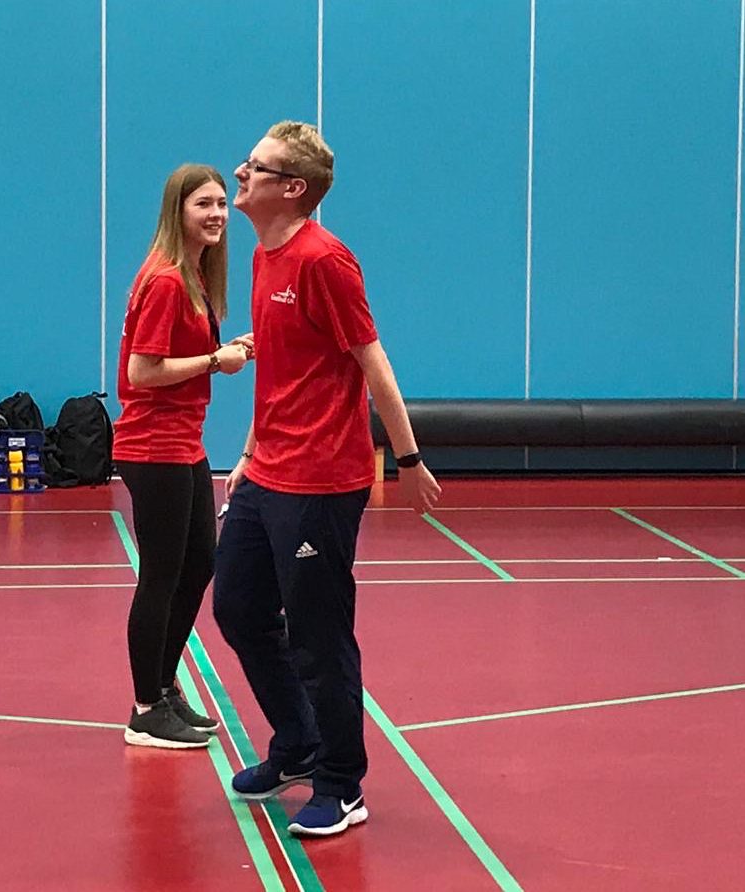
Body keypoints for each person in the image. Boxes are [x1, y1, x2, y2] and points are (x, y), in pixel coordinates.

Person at [213, 122, 442, 835]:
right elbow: (281, 375)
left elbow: (373, 364)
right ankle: (299, 743)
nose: (239, 173)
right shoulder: (260, 255)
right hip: (269, 469)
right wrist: (248, 454)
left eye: (257, 166)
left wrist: (407, 460)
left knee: (318, 635)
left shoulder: (325, 260)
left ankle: (342, 783)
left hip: (321, 479)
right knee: (238, 608)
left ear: (294, 188)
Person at [114, 164, 252, 749]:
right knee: (163, 575)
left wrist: (225, 350)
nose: (218, 213)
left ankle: (163, 686)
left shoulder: (193, 275)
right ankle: (145, 709)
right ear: (179, 211)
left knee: (198, 565)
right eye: (204, 204)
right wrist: (214, 362)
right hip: (153, 445)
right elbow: (141, 372)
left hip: (184, 442)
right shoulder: (167, 279)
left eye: (222, 202)